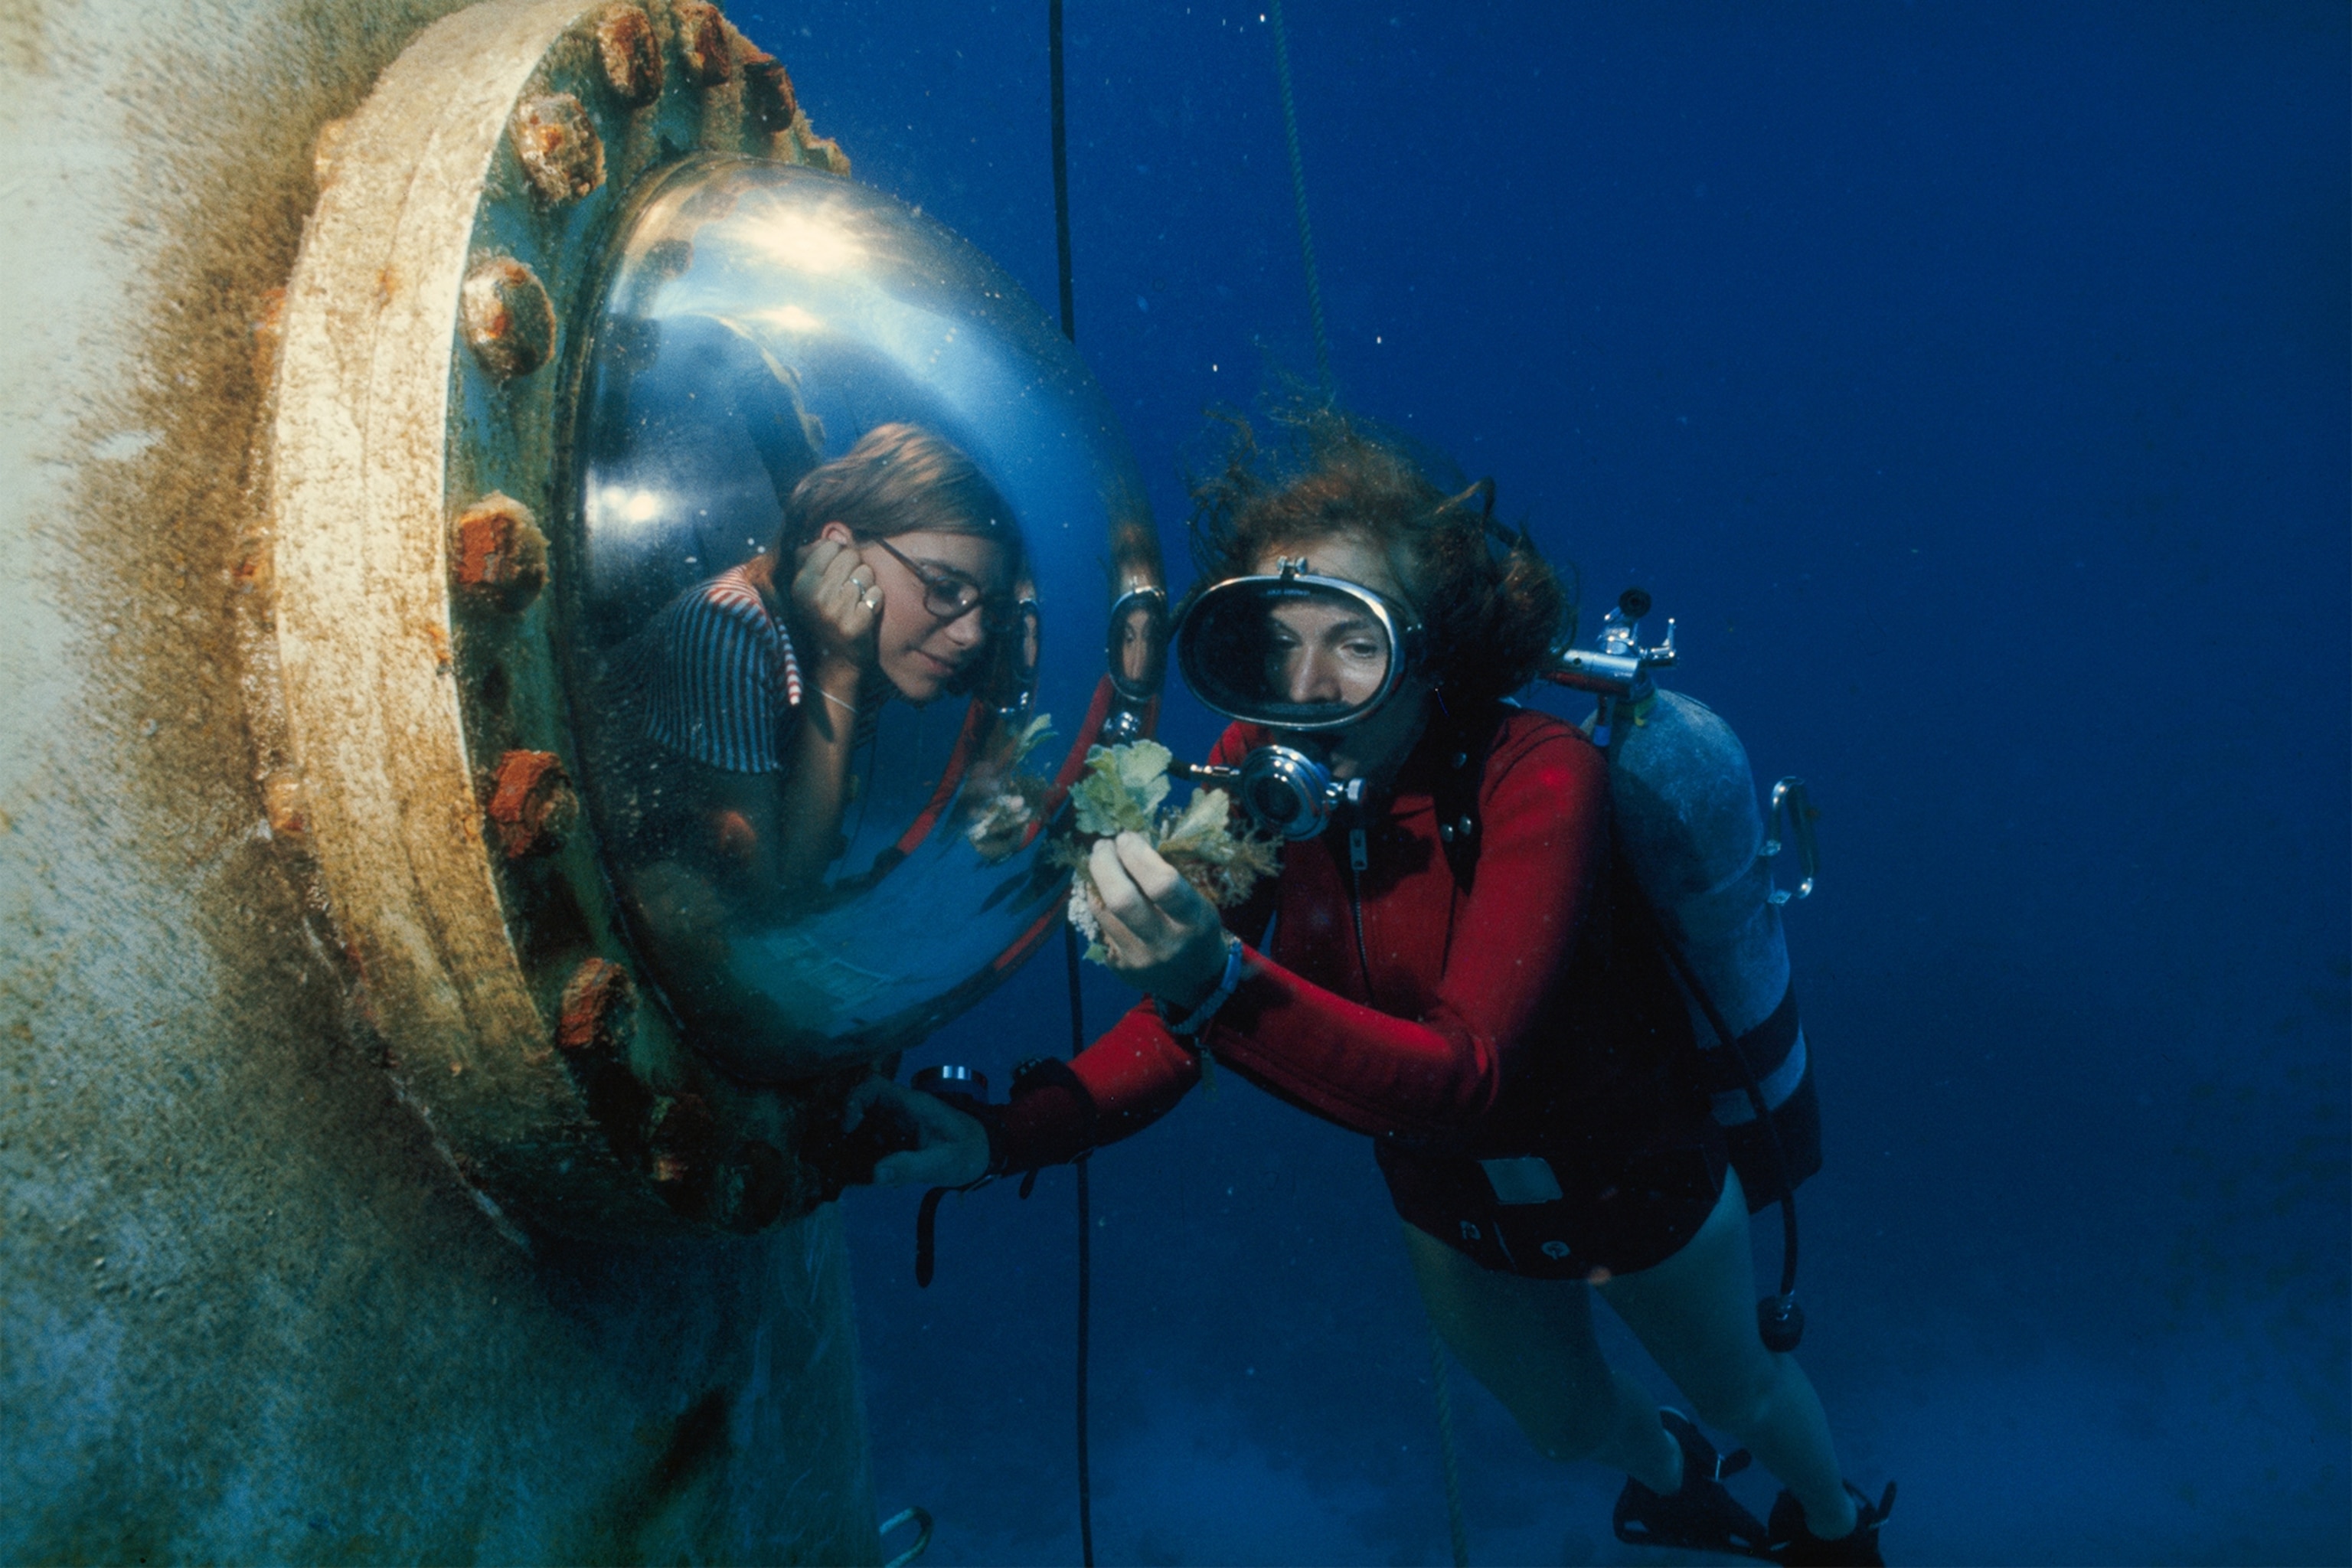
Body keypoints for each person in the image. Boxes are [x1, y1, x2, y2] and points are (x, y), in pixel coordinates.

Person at [848, 408, 1891, 1565]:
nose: (1307, 682)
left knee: (1742, 1391)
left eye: (1352, 641)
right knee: (1559, 1430)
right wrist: (1001, 1137)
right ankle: (1668, 1476)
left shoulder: (1534, 776)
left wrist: (1216, 979)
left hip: (1631, 1173)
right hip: (1447, 1192)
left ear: (1429, 643)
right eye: (1273, 640)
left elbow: (1468, 1073)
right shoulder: (1250, 765)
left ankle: (1834, 1526)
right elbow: (1182, 1029)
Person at [635, 421, 1024, 903]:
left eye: (991, 609)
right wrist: (839, 668)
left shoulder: (864, 650)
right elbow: (772, 890)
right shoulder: (728, 625)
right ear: (837, 550)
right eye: (944, 589)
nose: (971, 635)